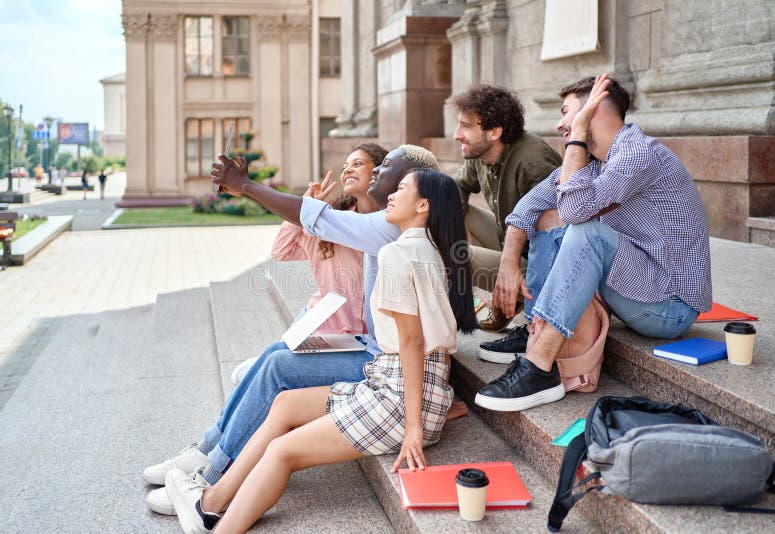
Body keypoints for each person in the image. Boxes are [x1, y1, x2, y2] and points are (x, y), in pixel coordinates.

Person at [165, 168, 478, 533]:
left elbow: (412, 342)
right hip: (407, 387)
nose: (391, 195)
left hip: (399, 397)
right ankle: (212, 500)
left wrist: (414, 426)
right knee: (285, 404)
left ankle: (213, 514)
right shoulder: (431, 249)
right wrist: (431, 405)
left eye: (402, 189)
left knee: (283, 452)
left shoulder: (396, 252)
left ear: (423, 205)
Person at [474, 74, 712, 412]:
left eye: (567, 112)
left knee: (586, 231)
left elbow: (573, 210)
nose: (560, 124)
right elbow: (527, 208)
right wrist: (509, 265)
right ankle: (534, 331)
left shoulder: (636, 154)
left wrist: (577, 140)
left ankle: (540, 367)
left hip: (669, 306)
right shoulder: (595, 161)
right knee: (546, 220)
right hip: (635, 287)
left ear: (593, 111)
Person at [228, 144, 386, 384]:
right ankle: (260, 369)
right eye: (345, 166)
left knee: (277, 368)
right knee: (276, 361)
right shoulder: (329, 221)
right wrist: (304, 209)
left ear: (378, 172)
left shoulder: (390, 223)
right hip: (326, 323)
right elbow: (281, 252)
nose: (348, 170)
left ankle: (261, 370)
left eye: (357, 164)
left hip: (367, 338)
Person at [451, 84, 562, 363]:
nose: (457, 135)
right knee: (447, 207)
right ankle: (498, 305)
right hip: (510, 243)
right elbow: (457, 188)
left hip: (545, 267)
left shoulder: (533, 161)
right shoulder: (480, 153)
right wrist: (456, 225)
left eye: (466, 126)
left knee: (457, 256)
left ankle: (513, 304)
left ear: (495, 131)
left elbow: (558, 239)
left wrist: (507, 266)